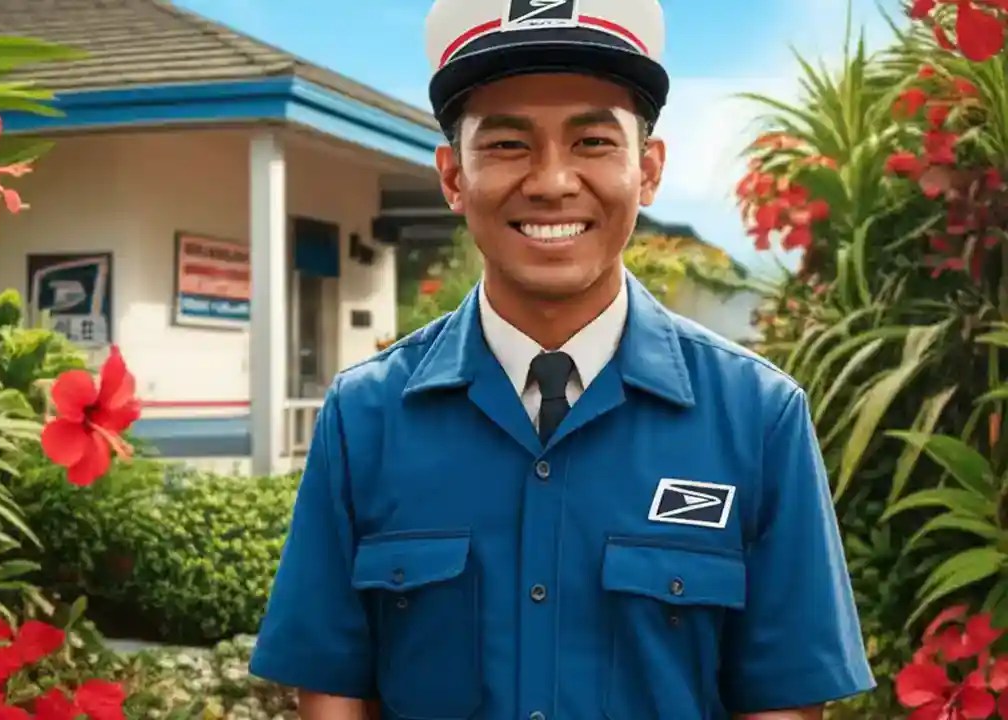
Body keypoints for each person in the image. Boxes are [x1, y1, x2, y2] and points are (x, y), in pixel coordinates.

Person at [248, 0, 876, 717]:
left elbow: (785, 701)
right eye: (509, 144)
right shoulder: (364, 419)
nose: (551, 181)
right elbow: (332, 691)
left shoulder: (757, 418)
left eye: (593, 142)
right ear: (454, 176)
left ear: (649, 170)